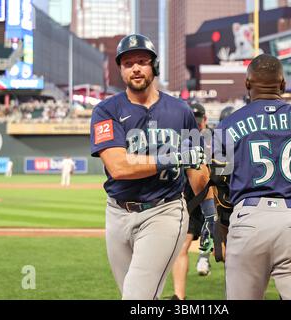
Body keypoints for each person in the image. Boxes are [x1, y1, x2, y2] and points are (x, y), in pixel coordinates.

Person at [89, 34, 216, 300]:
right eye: (128, 63)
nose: (135, 68)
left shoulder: (181, 111)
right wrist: (175, 158)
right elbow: (119, 167)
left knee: (136, 297)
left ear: (153, 66)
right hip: (117, 213)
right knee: (143, 298)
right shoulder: (106, 110)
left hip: (164, 211)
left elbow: (196, 169)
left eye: (142, 61)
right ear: (121, 70)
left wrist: (209, 216)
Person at [214, 54, 291, 300]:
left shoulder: (227, 125)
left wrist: (222, 227)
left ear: (248, 84)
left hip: (247, 219)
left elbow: (219, 179)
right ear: (283, 85)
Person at [170, 102, 212, 300]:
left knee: (228, 247)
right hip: (190, 199)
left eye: (198, 121)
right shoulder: (183, 139)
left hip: (213, 198)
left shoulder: (216, 139)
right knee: (181, 247)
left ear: (205, 120)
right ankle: (179, 297)